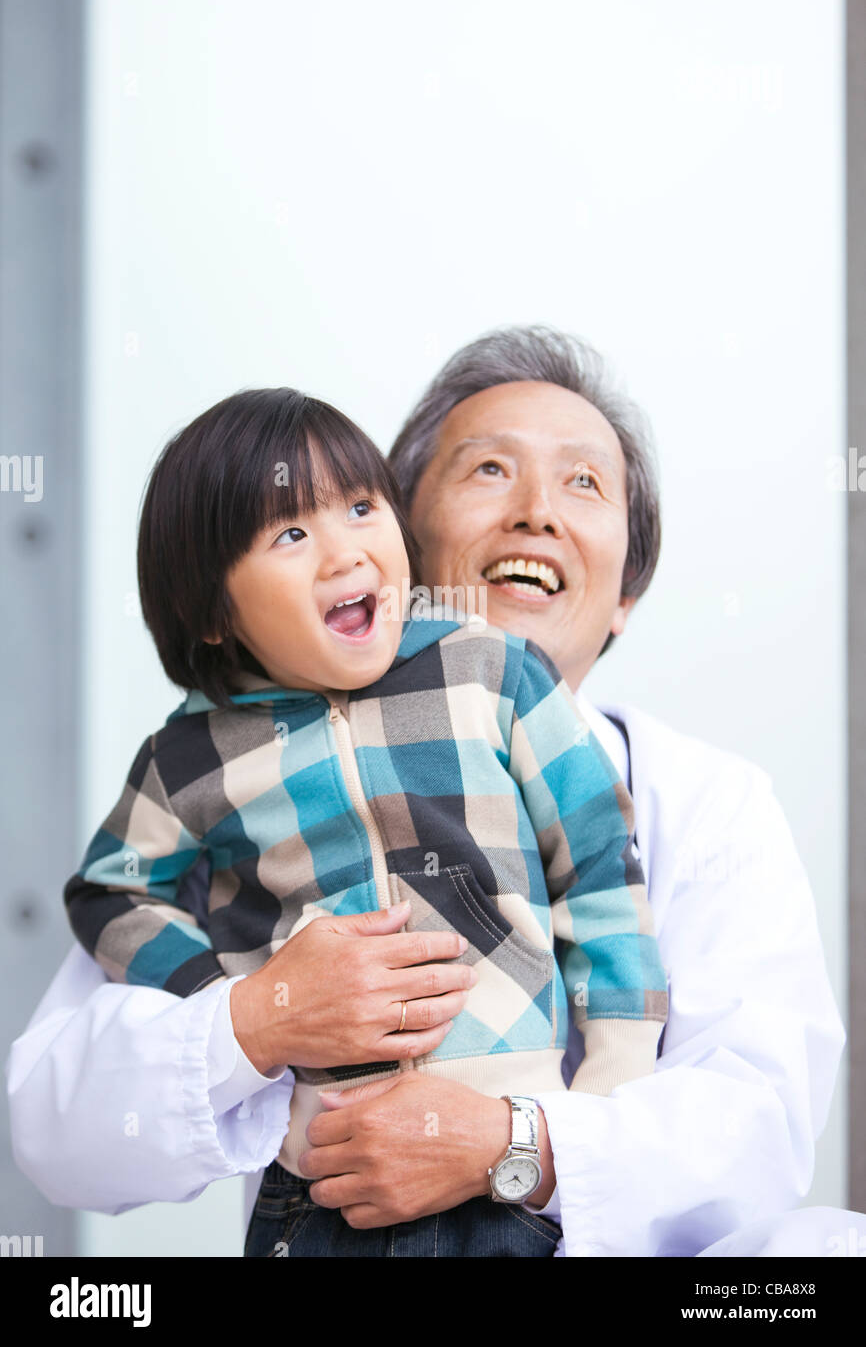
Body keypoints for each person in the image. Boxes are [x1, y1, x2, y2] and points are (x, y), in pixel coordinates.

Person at [6, 326, 848, 1257]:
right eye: (489, 470)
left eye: (584, 483)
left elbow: (757, 1130)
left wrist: (509, 1144)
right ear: (414, 534)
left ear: (626, 596)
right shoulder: (218, 775)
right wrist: (261, 1015)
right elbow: (56, 1121)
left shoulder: (711, 801)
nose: (537, 512)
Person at [61, 383, 667, 1257]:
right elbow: (108, 891)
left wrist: (600, 1106)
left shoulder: (490, 671)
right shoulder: (191, 754)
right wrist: (236, 1004)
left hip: (511, 1196)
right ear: (215, 614)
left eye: (360, 505)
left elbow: (603, 871)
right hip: (319, 1205)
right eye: (292, 533)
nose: (344, 551)